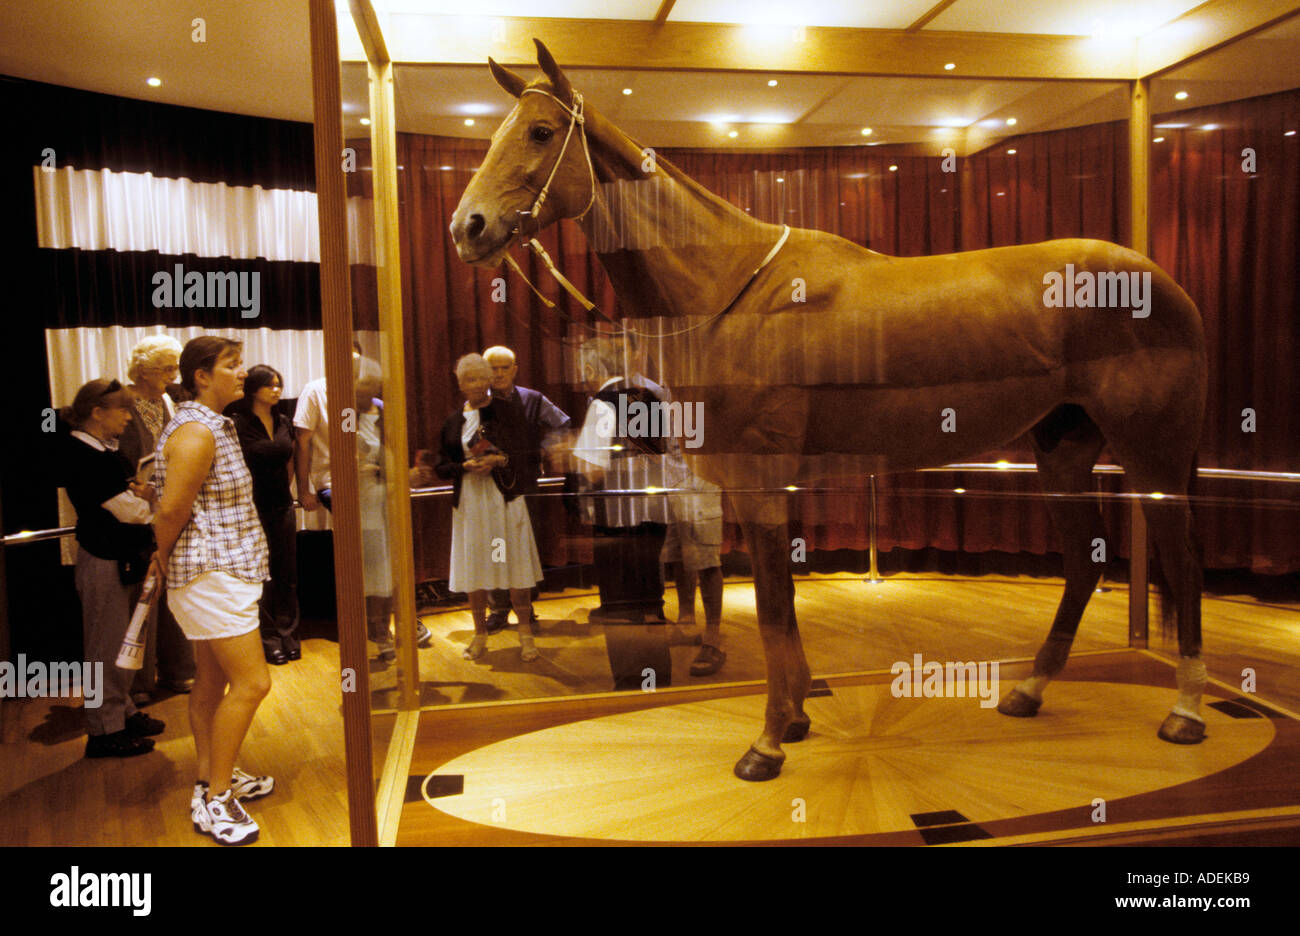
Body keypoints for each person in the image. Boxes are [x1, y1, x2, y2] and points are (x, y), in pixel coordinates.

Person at [152, 337, 273, 846]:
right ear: (202, 376)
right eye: (231, 365)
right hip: (212, 574)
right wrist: (160, 559)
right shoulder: (198, 431)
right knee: (253, 684)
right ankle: (217, 798)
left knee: (209, 680)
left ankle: (210, 779)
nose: (241, 373)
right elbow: (171, 512)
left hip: (220, 573)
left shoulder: (208, 425)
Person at [295, 343, 431, 659]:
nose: (363, 382)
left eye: (367, 378)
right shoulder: (320, 393)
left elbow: (392, 452)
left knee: (390, 557)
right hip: (340, 486)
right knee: (370, 560)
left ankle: (398, 621)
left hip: (382, 490)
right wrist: (305, 489)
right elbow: (302, 442)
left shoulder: (380, 408)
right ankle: (379, 629)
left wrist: (402, 473)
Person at [61, 379, 166, 758]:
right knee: (105, 647)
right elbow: (133, 510)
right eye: (122, 409)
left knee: (124, 643)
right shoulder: (80, 453)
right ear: (96, 412)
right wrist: (151, 500)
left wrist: (145, 498)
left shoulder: (108, 452)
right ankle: (103, 730)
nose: (127, 416)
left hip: (122, 556)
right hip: (103, 557)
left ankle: (122, 711)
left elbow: (134, 502)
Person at [434, 354, 543, 662]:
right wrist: (464, 466)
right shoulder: (453, 422)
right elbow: (442, 465)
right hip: (471, 502)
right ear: (460, 385)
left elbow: (527, 454)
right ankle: (480, 634)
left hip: (504, 499)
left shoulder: (508, 412)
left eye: (483, 378)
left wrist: (500, 460)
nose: (478, 384)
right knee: (476, 568)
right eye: (471, 379)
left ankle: (525, 634)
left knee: (514, 564)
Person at [570, 336, 671, 625]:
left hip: (617, 516)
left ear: (591, 370)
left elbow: (593, 471)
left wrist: (568, 453)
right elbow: (657, 454)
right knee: (650, 584)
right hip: (652, 509)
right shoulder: (647, 396)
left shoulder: (602, 404)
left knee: (624, 608)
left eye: (582, 370)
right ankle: (654, 625)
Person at [119, 335, 196, 700]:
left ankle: (178, 671)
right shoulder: (120, 400)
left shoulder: (168, 400)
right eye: (166, 368)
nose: (172, 375)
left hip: (165, 506)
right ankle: (137, 682)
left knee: (173, 590)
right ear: (145, 370)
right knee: (141, 598)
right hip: (132, 511)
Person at [481, 345, 569, 633]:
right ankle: (498, 609)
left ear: (515, 370)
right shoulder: (477, 403)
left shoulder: (533, 399)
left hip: (526, 484)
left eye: (505, 367)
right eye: (493, 368)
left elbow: (562, 424)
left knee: (522, 548)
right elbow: (466, 439)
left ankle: (525, 607)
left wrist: (542, 450)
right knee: (496, 548)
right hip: (489, 486)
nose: (499, 373)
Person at [230, 365, 300, 666]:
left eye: (279, 385)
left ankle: (289, 633)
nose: (276, 390)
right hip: (250, 506)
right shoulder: (237, 423)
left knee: (287, 571)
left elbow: (291, 458)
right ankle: (268, 637)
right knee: (262, 574)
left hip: (282, 503)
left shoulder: (283, 420)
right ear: (253, 388)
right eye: (270, 385)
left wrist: (291, 490)